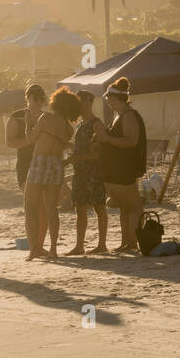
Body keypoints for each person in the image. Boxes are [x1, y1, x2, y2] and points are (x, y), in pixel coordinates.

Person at [23, 88, 80, 261]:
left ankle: (34, 248)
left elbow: (30, 140)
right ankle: (53, 249)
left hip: (40, 162)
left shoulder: (45, 117)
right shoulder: (68, 127)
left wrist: (28, 123)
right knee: (51, 209)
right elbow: (66, 144)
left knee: (30, 206)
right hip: (56, 164)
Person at [100, 77, 146, 252]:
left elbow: (131, 141)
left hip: (126, 167)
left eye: (109, 100)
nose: (108, 104)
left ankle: (132, 242)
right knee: (126, 207)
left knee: (133, 207)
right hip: (118, 168)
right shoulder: (119, 115)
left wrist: (107, 139)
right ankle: (127, 242)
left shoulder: (128, 115)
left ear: (115, 99)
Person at [6, 84, 48, 253]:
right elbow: (10, 142)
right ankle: (33, 247)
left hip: (44, 164)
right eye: (34, 98)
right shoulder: (16, 117)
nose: (37, 102)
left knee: (44, 209)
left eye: (40, 98)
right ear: (27, 98)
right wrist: (30, 141)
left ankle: (39, 245)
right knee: (31, 206)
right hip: (25, 166)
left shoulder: (47, 117)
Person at [68, 90, 109, 255]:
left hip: (94, 173)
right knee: (80, 209)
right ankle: (79, 245)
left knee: (99, 207)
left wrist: (77, 158)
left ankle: (102, 244)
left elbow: (97, 154)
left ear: (87, 103)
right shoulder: (80, 125)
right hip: (80, 173)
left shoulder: (96, 124)